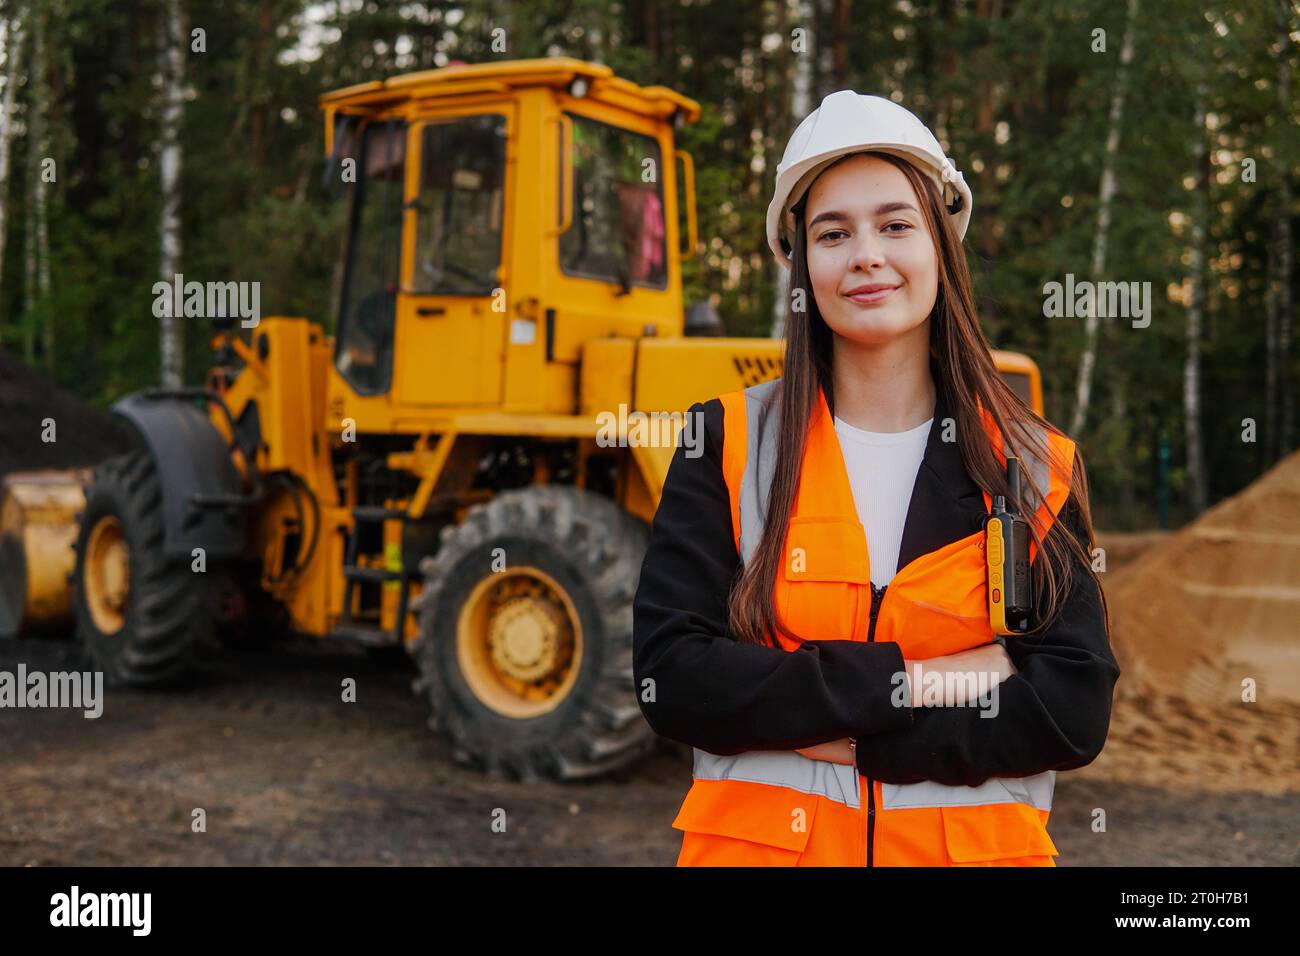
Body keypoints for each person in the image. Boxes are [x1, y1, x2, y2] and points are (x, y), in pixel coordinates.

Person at [632, 91, 1121, 867]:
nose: (866, 254)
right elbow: (675, 680)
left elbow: (1070, 708)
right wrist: (928, 679)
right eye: (834, 233)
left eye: (895, 225)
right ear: (801, 264)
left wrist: (860, 738)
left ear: (940, 248)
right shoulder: (724, 442)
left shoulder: (1031, 464)